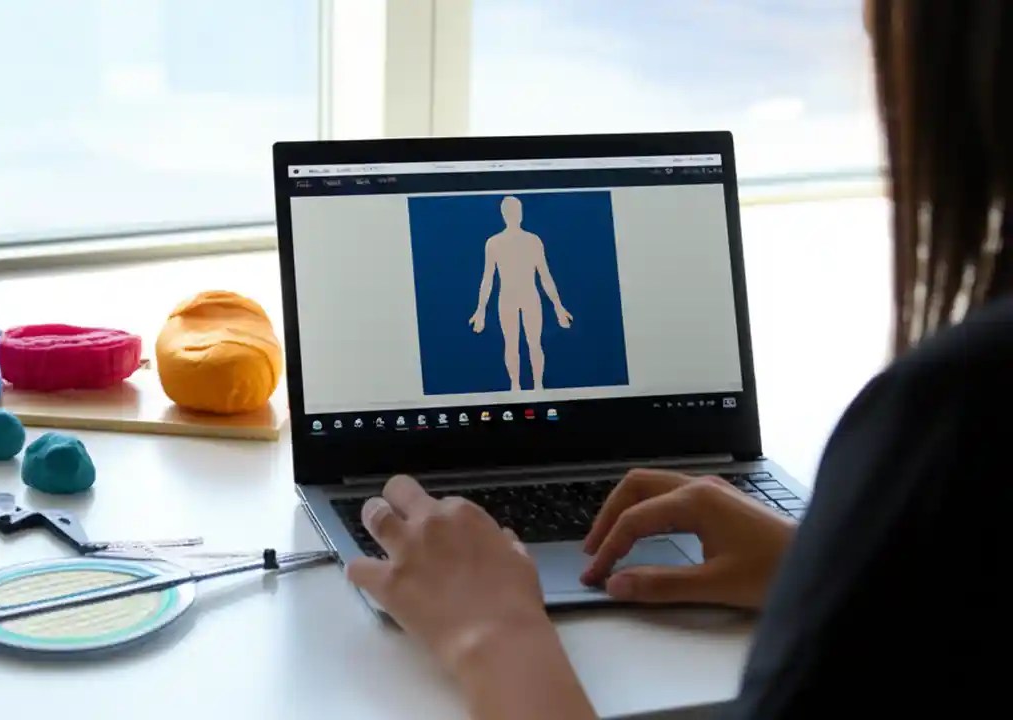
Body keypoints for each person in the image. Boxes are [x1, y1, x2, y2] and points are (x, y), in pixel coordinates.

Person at [347, 2, 1010, 718]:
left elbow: (542, 283)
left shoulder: (958, 419)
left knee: (531, 352)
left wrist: (492, 629)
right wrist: (822, 568)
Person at [469, 195, 573, 391]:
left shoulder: (500, 242)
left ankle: (532, 386)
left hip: (516, 297)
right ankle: (521, 386)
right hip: (520, 297)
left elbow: (544, 276)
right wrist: (480, 310)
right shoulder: (522, 241)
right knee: (524, 344)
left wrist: (559, 307)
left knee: (523, 344)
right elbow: (488, 279)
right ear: (519, 215)